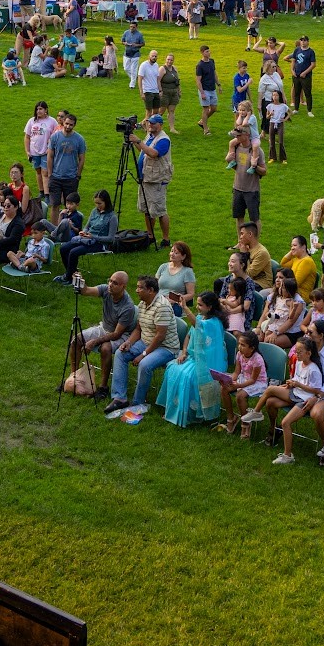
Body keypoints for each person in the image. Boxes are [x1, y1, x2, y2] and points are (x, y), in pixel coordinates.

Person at [109, 273, 179, 417]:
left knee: (144, 364)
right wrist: (129, 342)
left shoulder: (162, 307)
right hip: (146, 341)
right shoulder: (142, 304)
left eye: (140, 288)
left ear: (151, 290)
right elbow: (138, 329)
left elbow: (160, 336)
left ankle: (137, 403)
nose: (136, 290)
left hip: (166, 347)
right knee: (120, 354)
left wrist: (143, 354)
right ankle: (119, 398)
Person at [160, 291, 230, 427]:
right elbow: (189, 336)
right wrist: (184, 352)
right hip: (192, 357)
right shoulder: (200, 317)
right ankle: (173, 408)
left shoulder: (214, 323)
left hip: (207, 362)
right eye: (197, 304)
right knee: (172, 368)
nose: (197, 307)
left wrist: (185, 307)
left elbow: (198, 325)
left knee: (187, 376)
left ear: (209, 307)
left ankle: (190, 413)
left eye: (200, 305)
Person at [57, 189, 119, 281]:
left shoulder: (112, 217)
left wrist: (93, 237)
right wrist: (84, 232)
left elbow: (110, 238)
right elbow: (87, 226)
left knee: (73, 252)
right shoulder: (94, 211)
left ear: (106, 202)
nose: (97, 206)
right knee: (63, 248)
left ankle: (69, 277)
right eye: (96, 203)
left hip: (99, 243)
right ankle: (72, 274)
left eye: (99, 203)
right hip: (86, 238)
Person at [134, 112, 174, 248]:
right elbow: (143, 151)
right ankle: (150, 236)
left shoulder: (163, 140)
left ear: (160, 125)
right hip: (146, 177)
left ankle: (166, 239)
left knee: (160, 210)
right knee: (147, 209)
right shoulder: (150, 136)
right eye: (149, 122)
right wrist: (135, 141)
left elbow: (153, 153)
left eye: (153, 123)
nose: (150, 125)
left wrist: (138, 141)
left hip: (157, 180)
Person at [45, 108, 85, 220]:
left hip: (71, 178)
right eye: (66, 123)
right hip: (55, 177)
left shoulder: (79, 139)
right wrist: (50, 174)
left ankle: (67, 227)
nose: (68, 126)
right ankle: (54, 228)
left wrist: (78, 175)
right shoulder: (55, 137)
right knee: (54, 205)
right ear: (63, 122)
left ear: (74, 125)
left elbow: (82, 159)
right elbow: (50, 156)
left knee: (70, 207)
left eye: (71, 125)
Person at [227, 125, 267, 225]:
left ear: (247, 135)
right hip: (237, 189)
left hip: (251, 191)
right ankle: (240, 236)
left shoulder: (257, 151)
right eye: (235, 135)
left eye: (239, 135)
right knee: (239, 217)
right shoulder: (236, 147)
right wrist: (229, 161)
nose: (236, 137)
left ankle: (255, 236)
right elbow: (237, 168)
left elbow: (264, 172)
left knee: (254, 219)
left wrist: (255, 166)